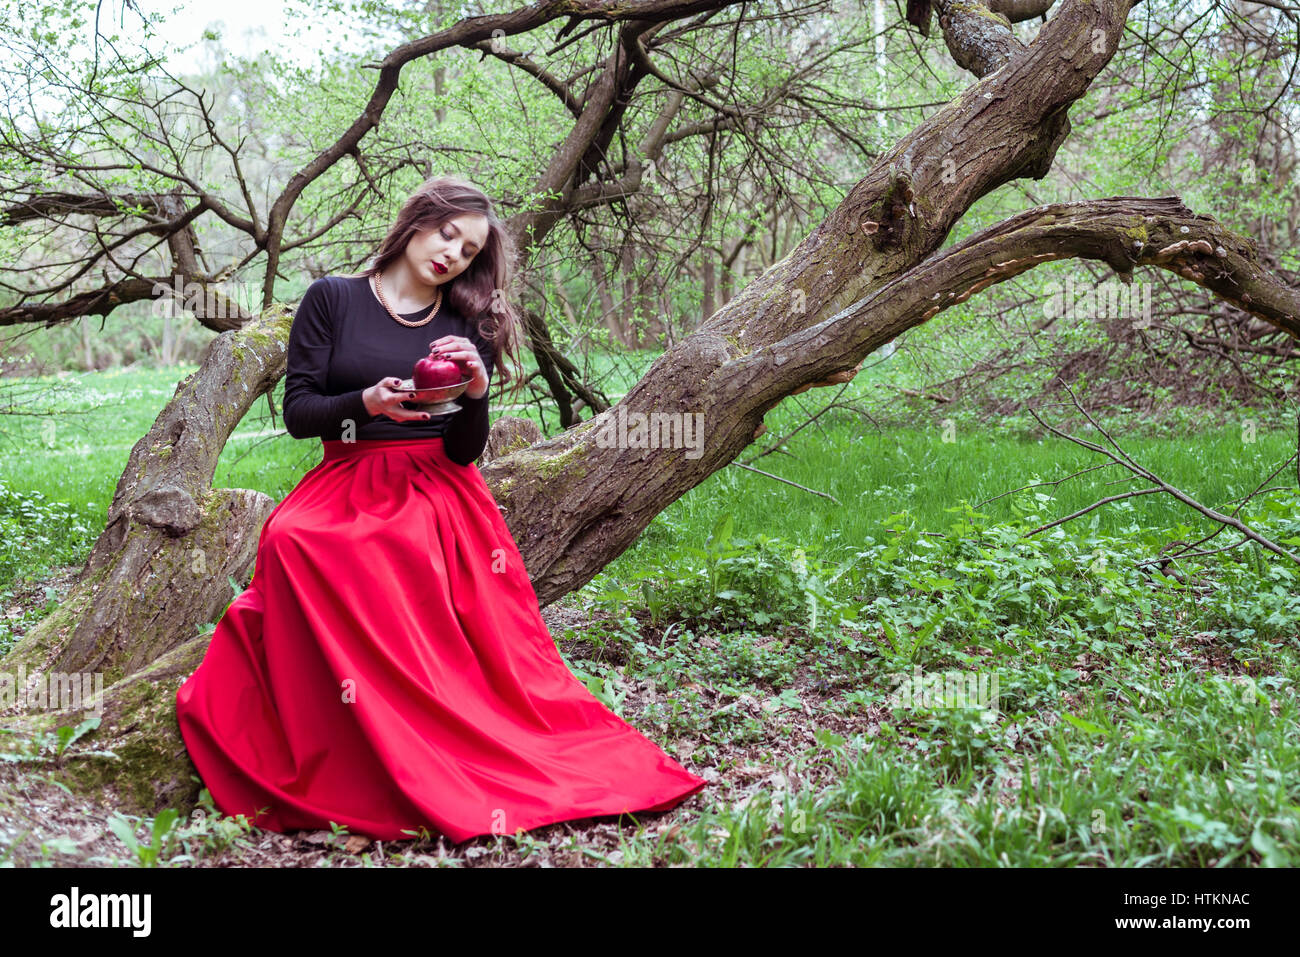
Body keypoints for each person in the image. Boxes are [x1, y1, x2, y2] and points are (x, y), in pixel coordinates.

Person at [175, 174, 706, 844]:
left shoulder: (466, 321)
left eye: (468, 249)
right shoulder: (331, 299)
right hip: (348, 472)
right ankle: (347, 738)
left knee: (392, 550)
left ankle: (431, 737)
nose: (452, 253)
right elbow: (300, 414)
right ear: (417, 222)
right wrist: (366, 402)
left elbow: (464, 451)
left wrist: (479, 389)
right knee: (295, 540)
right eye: (447, 233)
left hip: (435, 481)